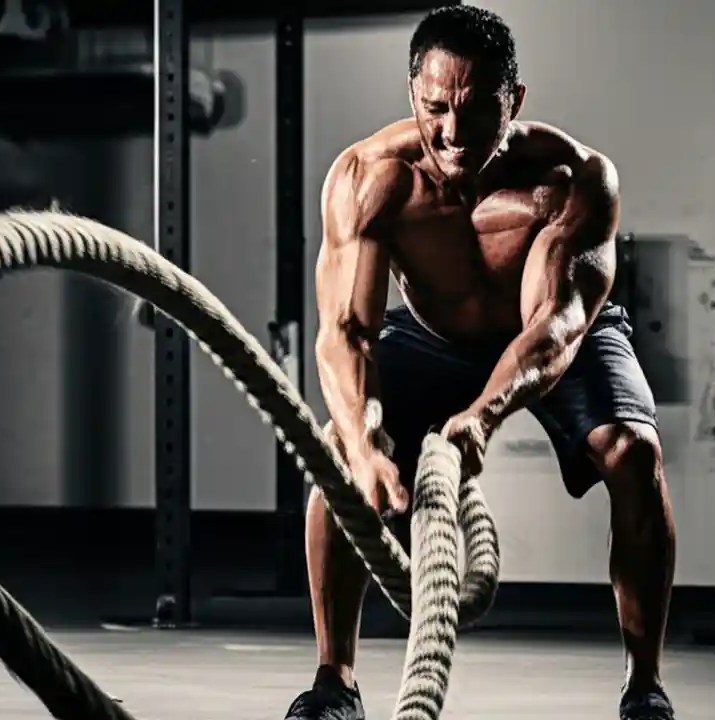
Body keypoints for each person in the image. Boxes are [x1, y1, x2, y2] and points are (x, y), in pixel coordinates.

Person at [286, 6, 677, 720]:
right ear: (413, 97)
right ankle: (332, 682)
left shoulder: (572, 178)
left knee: (634, 452)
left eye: (476, 110)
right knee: (338, 458)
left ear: (514, 101)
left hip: (557, 336)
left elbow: (554, 329)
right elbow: (344, 330)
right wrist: (366, 443)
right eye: (435, 108)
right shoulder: (371, 179)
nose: (453, 132)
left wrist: (482, 417)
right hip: (434, 336)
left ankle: (644, 686)